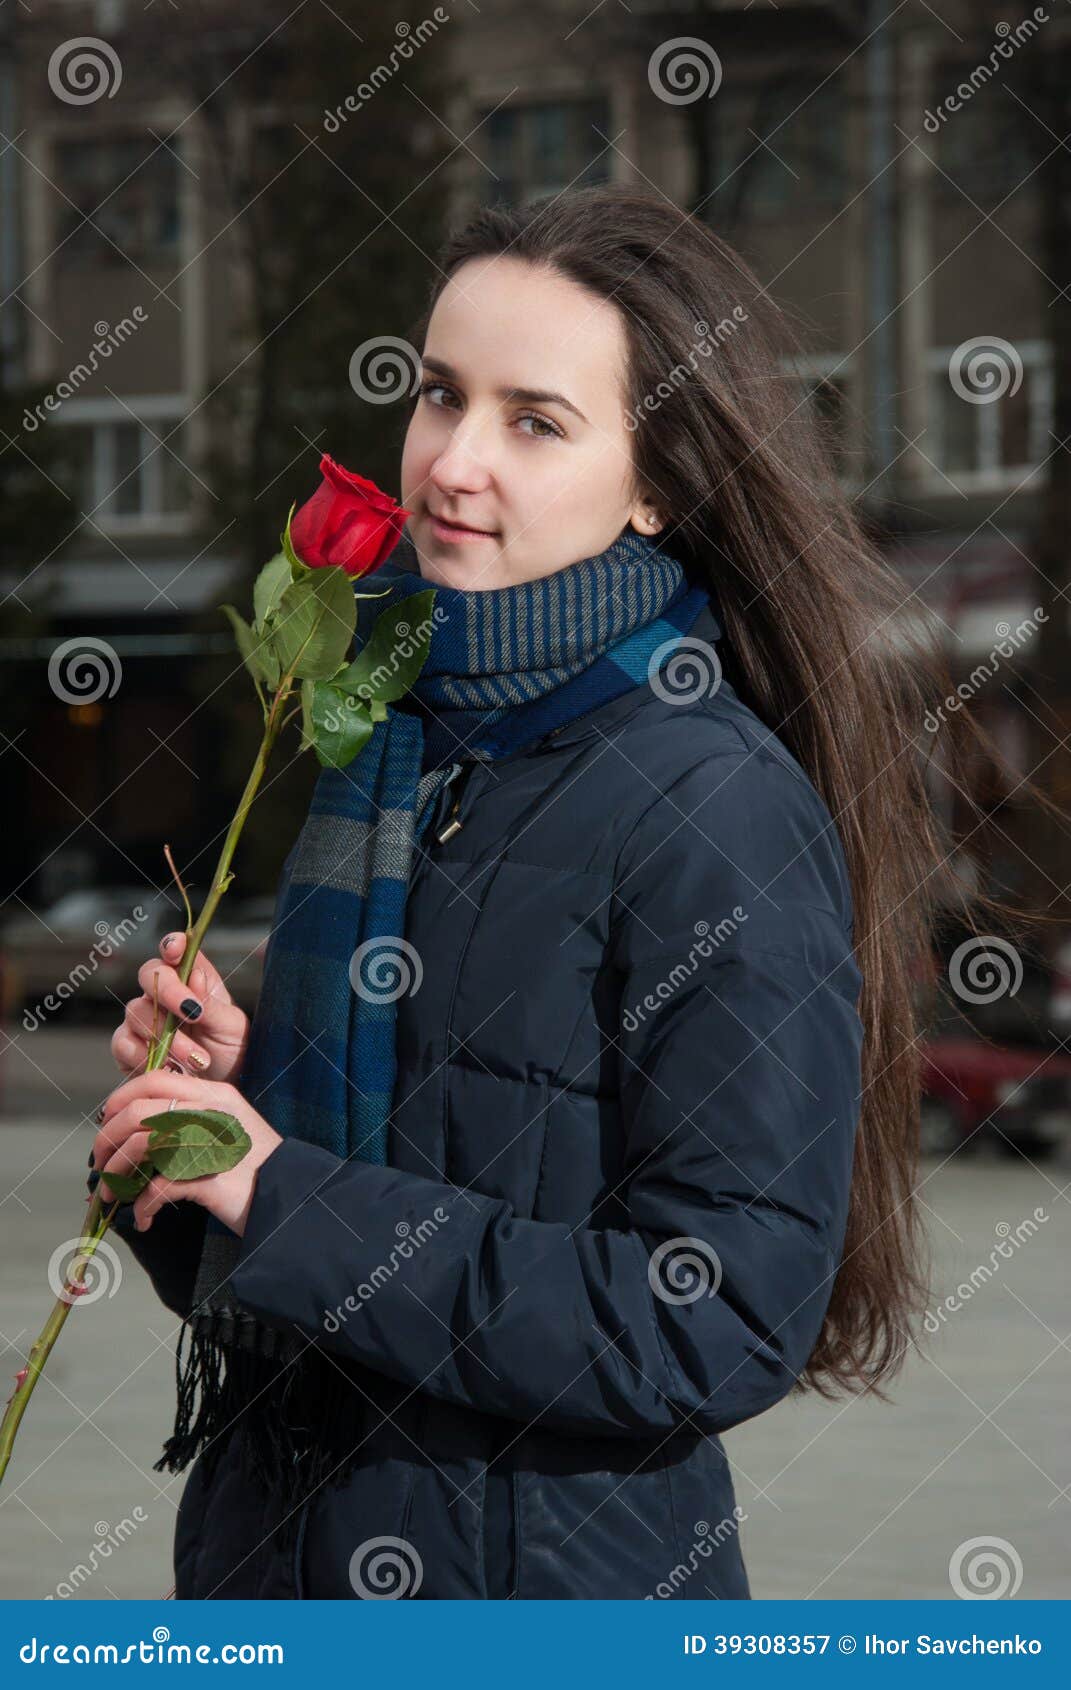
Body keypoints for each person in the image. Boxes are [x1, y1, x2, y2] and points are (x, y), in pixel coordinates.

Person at [90, 185, 1009, 1600]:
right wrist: (230, 1117)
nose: (453, 463)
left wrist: (285, 1191)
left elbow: (714, 1318)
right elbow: (388, 1207)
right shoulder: (388, 742)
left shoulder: (712, 806)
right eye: (441, 395)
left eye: (535, 420)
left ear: (656, 479)